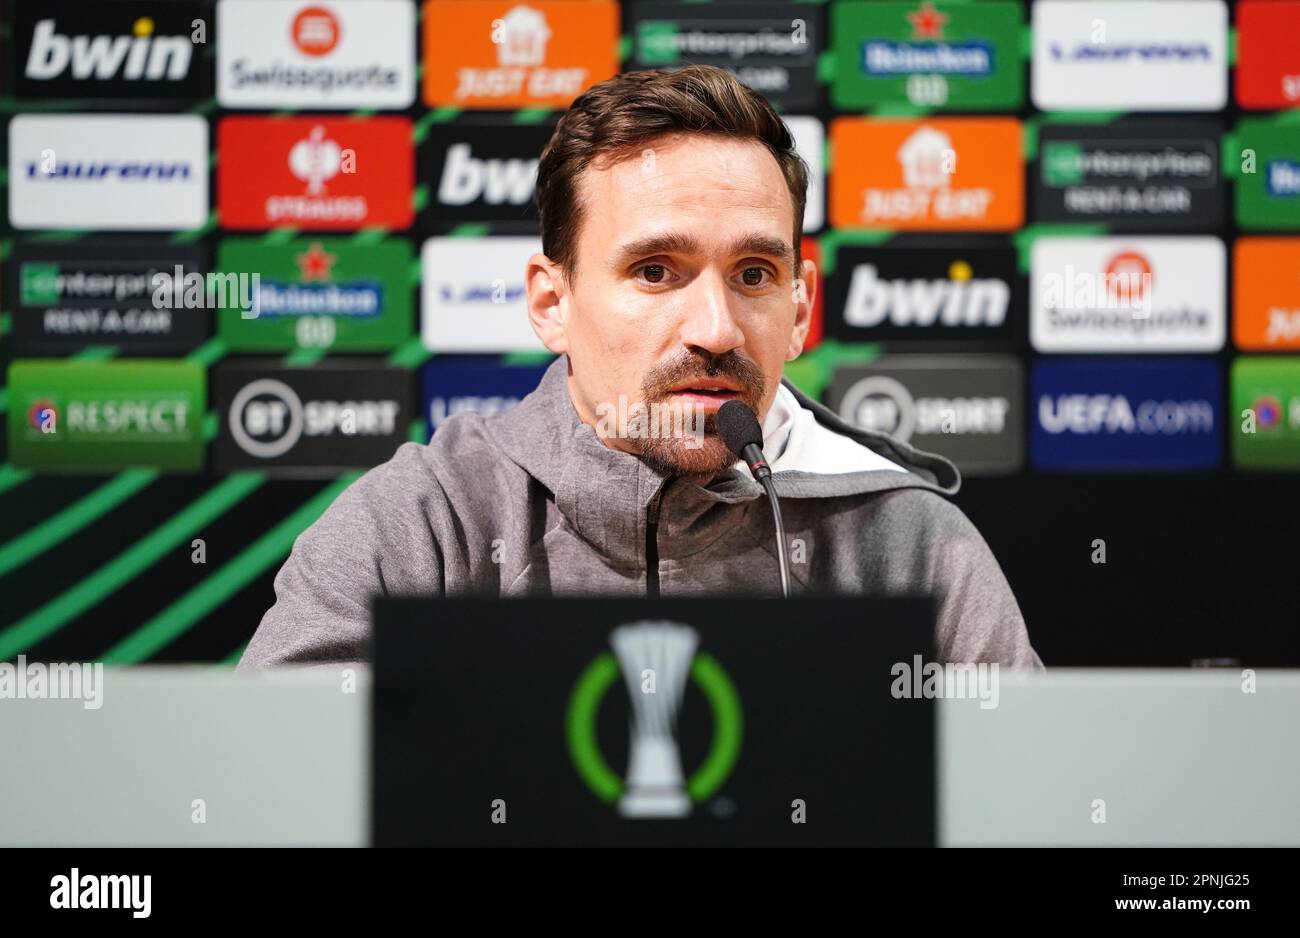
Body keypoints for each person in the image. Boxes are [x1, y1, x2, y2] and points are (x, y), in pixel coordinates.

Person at [239, 64, 1043, 670]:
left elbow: (1032, 810)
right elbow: (268, 802)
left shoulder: (913, 544)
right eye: (656, 271)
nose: (716, 329)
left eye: (754, 275)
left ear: (799, 311)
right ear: (552, 304)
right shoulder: (421, 527)